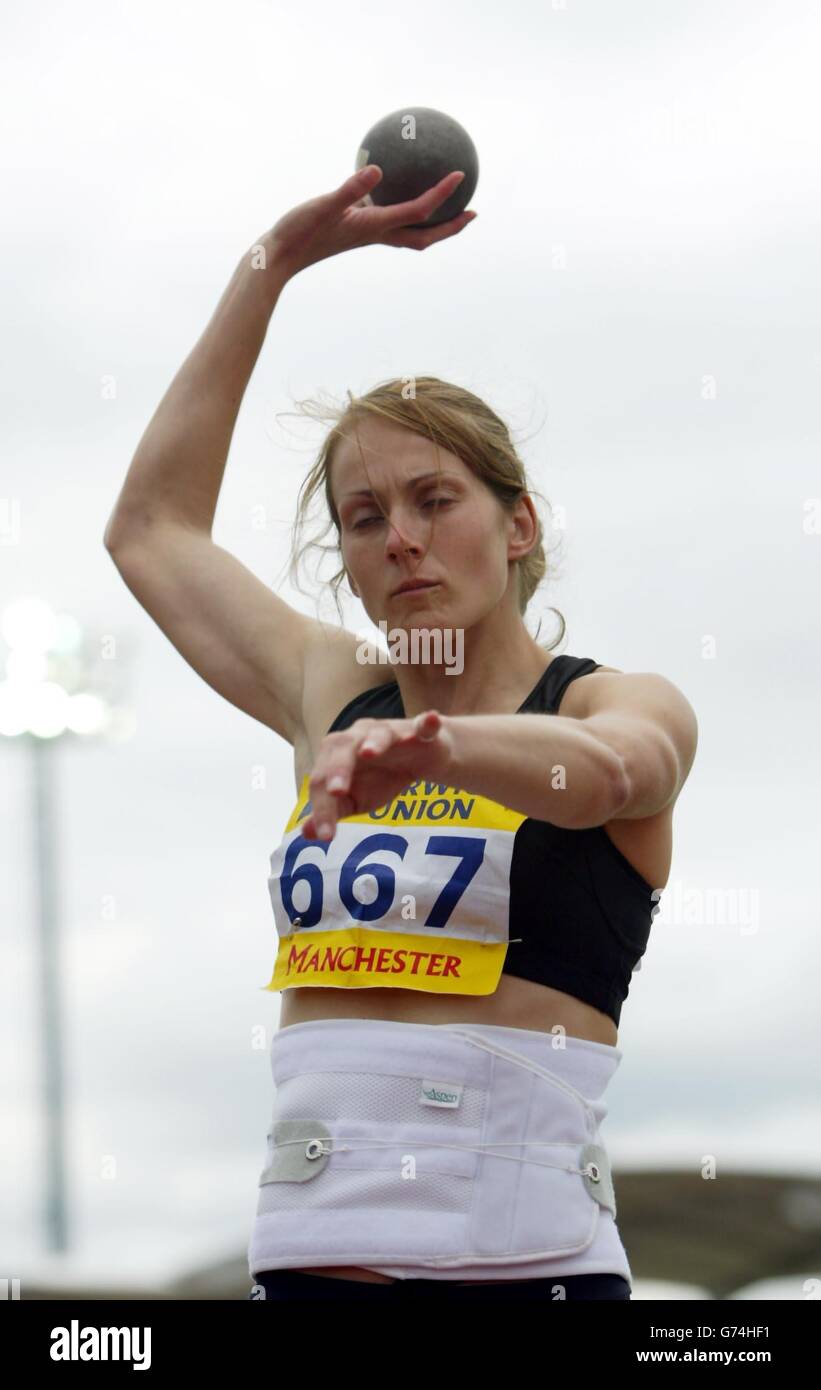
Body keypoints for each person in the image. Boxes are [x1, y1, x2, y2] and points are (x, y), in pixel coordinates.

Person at [103, 163, 698, 1302]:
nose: (401, 540)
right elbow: (149, 529)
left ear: (517, 523)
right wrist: (269, 266)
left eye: (435, 500)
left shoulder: (605, 702)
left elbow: (617, 773)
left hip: (532, 1269)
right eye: (364, 518)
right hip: (318, 1258)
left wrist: (444, 748)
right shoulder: (334, 693)